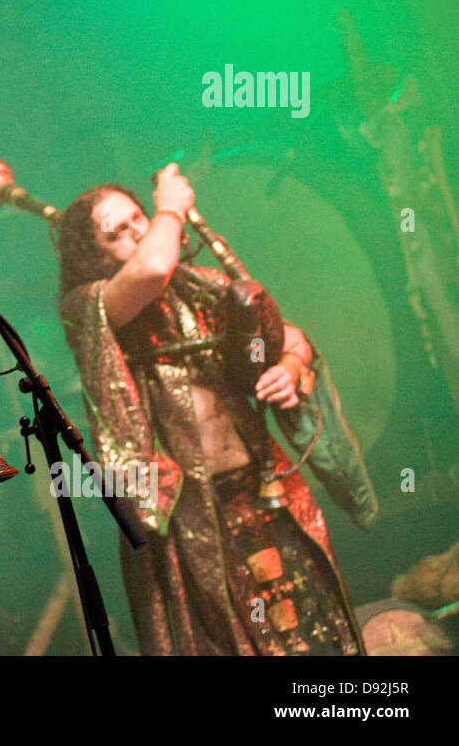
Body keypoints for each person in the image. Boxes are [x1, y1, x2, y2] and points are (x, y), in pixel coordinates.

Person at [55, 163, 378, 655]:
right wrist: (168, 206)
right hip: (188, 516)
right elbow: (150, 269)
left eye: (138, 218)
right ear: (92, 256)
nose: (137, 232)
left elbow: (288, 339)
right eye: (115, 232)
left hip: (264, 489)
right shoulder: (87, 306)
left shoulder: (201, 287)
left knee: (310, 628)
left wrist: (287, 369)